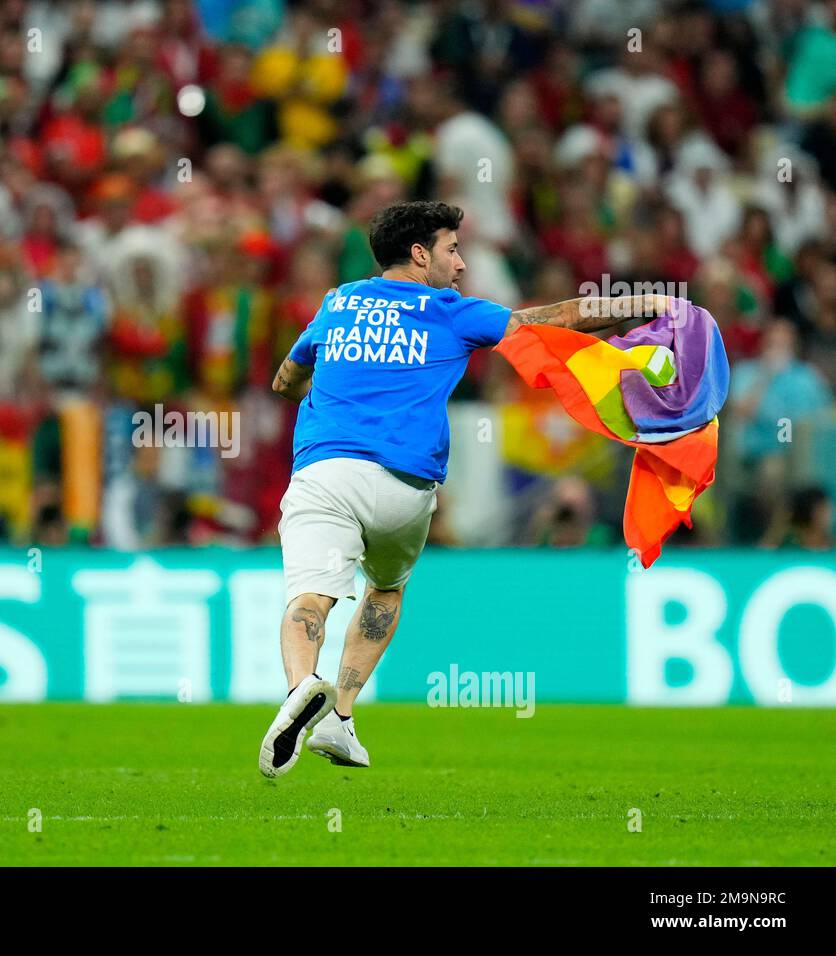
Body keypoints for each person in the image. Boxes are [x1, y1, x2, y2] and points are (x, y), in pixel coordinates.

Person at [258, 200, 666, 778]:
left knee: (310, 599)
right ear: (421, 253)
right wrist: (639, 305)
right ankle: (340, 717)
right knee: (386, 590)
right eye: (453, 249)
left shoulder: (338, 302)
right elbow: (557, 318)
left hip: (327, 471)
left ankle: (303, 688)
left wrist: (331, 391)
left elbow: (285, 379)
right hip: (407, 488)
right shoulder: (450, 312)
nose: (462, 264)